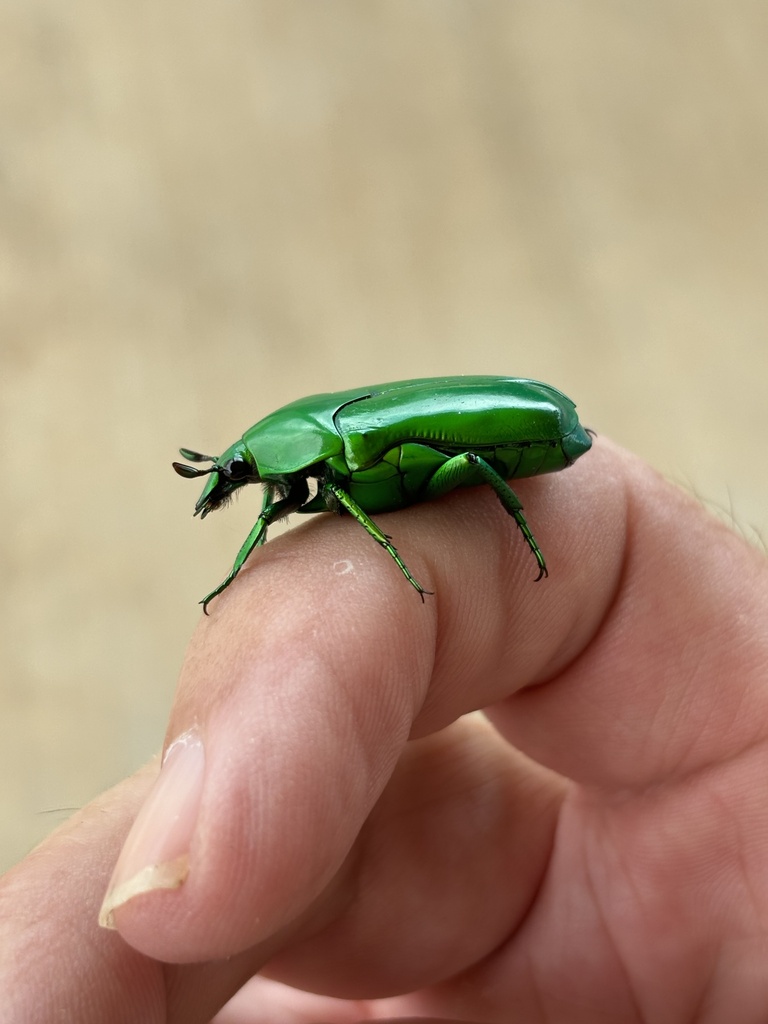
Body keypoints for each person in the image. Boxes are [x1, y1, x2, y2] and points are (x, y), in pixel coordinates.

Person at [2, 439, 767, 1024]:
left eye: (235, 473)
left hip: (524, 451)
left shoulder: (336, 465)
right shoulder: (302, 477)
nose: (231, 488)